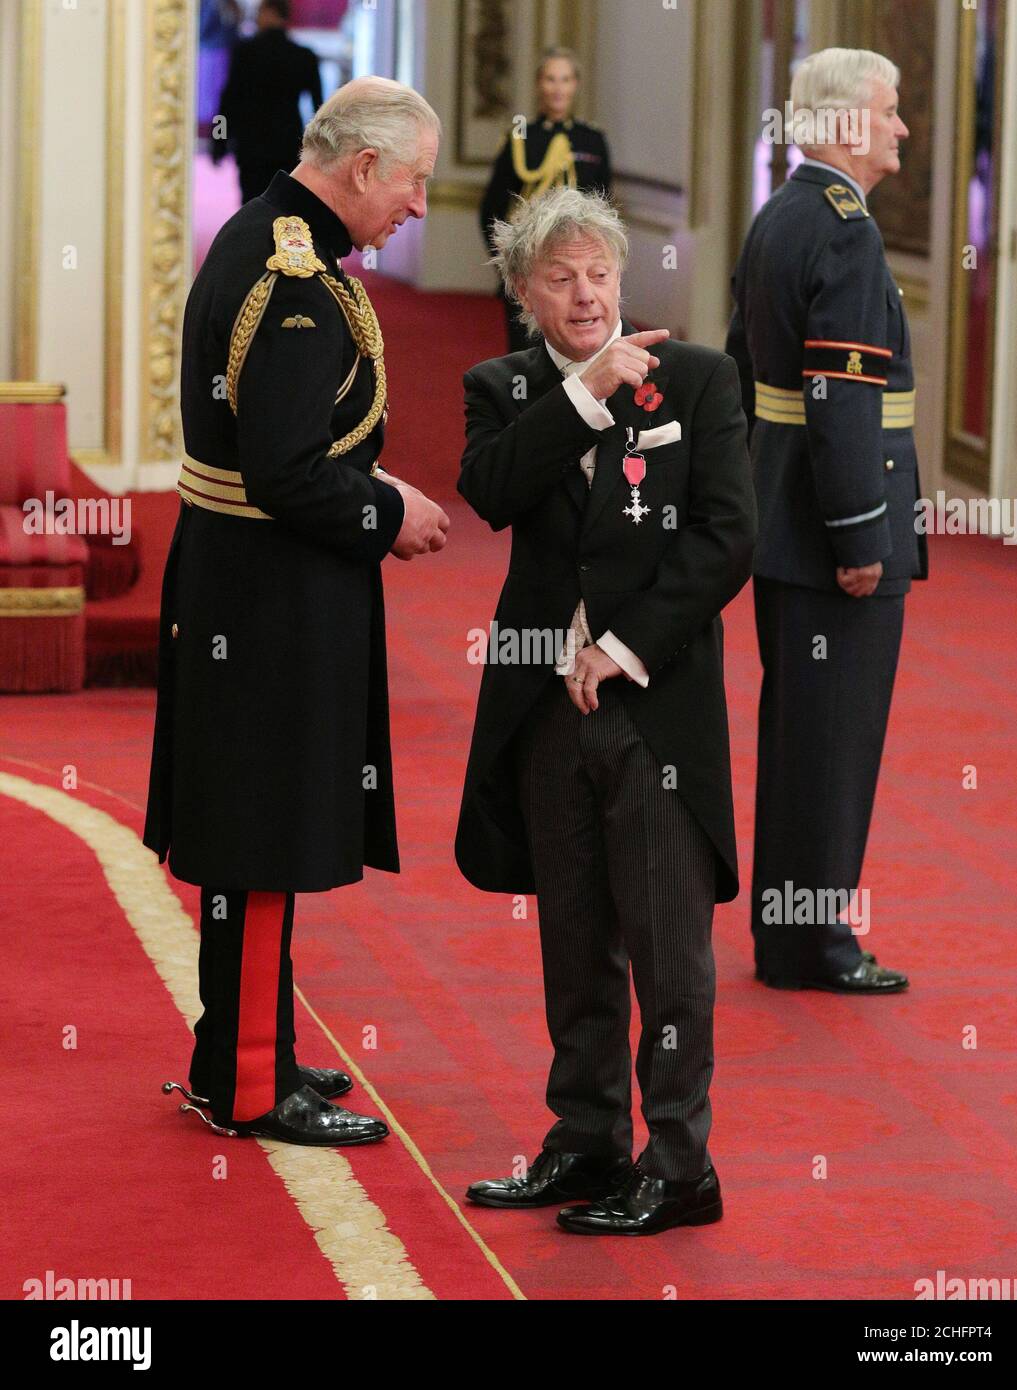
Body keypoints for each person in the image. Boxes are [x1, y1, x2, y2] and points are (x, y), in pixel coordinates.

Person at [145, 77, 449, 1146]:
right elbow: (285, 471)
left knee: (251, 827)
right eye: (412, 181)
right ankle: (248, 1081)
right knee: (262, 833)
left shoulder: (278, 236)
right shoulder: (299, 279)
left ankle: (244, 1039)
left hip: (249, 584)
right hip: (267, 597)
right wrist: (388, 510)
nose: (418, 205)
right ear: (363, 168)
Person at [456, 187, 756, 1235]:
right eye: (559, 278)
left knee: (669, 950)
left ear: (623, 278)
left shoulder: (702, 380)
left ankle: (679, 1166)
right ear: (522, 292)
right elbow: (491, 489)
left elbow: (725, 539)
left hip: (654, 708)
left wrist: (623, 649)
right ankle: (585, 1143)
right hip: (541, 705)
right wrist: (581, 394)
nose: (584, 295)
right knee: (574, 941)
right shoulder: (499, 390)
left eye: (599, 275)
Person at [726, 48, 928, 994]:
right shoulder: (844, 232)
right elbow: (840, 403)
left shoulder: (782, 214)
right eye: (889, 113)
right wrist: (860, 537)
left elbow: (741, 373)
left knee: (804, 740)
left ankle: (791, 934)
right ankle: (815, 943)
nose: (900, 129)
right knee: (833, 749)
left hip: (784, 522)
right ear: (848, 123)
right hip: (831, 533)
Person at [479, 48, 612, 352]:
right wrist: (507, 266)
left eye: (565, 79)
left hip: (580, 269)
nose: (558, 88)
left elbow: (605, 208)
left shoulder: (592, 139)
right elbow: (492, 207)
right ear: (539, 84)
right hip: (531, 263)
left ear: (575, 84)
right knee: (526, 357)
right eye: (551, 79)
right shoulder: (522, 136)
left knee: (579, 355)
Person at [215, 0, 324, 205]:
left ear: (269, 12)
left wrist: (218, 139)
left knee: (251, 202)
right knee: (283, 204)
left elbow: (228, 99)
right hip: (288, 140)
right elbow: (319, 107)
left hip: (251, 143)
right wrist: (318, 148)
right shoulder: (304, 56)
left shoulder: (245, 53)